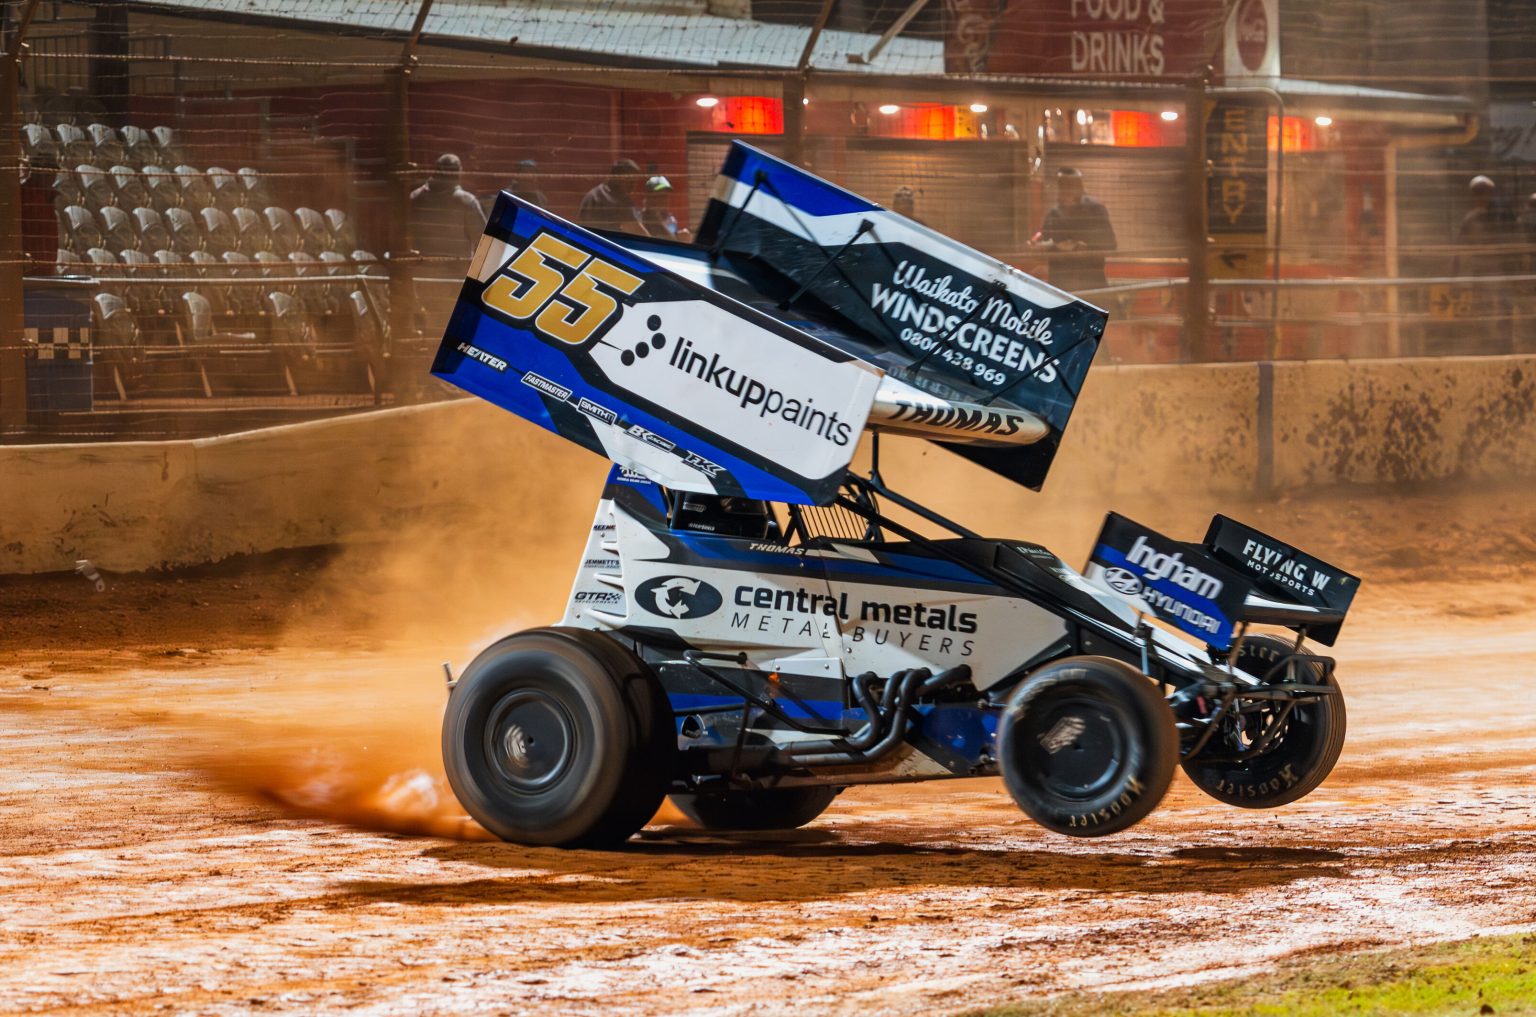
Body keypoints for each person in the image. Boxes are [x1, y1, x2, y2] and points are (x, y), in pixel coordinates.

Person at [1029, 167, 1117, 293]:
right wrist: (1040, 246)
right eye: (1062, 186)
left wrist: (1084, 247)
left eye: (1070, 186)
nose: (1065, 190)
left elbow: (1110, 244)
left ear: (1079, 187)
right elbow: (1046, 242)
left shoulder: (1095, 209)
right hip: (1061, 285)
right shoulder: (1053, 214)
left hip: (1090, 284)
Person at [409, 153, 486, 266]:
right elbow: (483, 239)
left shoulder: (415, 197)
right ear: (459, 172)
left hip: (421, 272)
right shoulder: (466, 201)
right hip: (456, 275)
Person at [578, 159, 647, 235]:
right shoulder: (619, 201)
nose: (632, 185)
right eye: (628, 179)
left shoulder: (594, 194)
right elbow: (637, 230)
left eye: (634, 181)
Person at [480, 158, 549, 217]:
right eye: (525, 173)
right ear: (517, 176)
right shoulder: (506, 196)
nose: (528, 176)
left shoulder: (540, 198)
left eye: (532, 173)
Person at [639, 175, 691, 241]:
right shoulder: (639, 220)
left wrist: (681, 237)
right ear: (648, 197)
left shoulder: (671, 220)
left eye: (665, 196)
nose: (663, 200)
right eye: (659, 196)